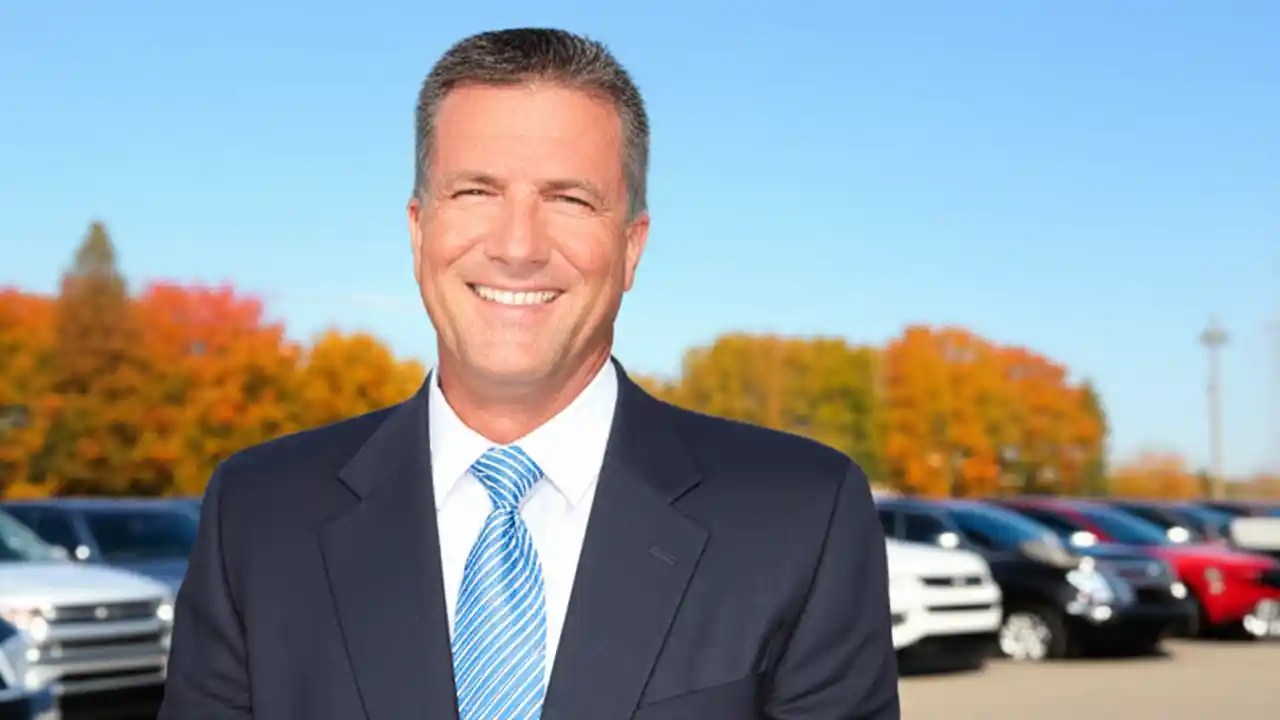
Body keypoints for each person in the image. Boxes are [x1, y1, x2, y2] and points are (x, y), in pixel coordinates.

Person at [159, 27, 899, 720]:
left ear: (632, 247)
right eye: (476, 192)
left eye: (569, 199)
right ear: (419, 230)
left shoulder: (801, 516)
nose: (518, 247)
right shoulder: (258, 516)